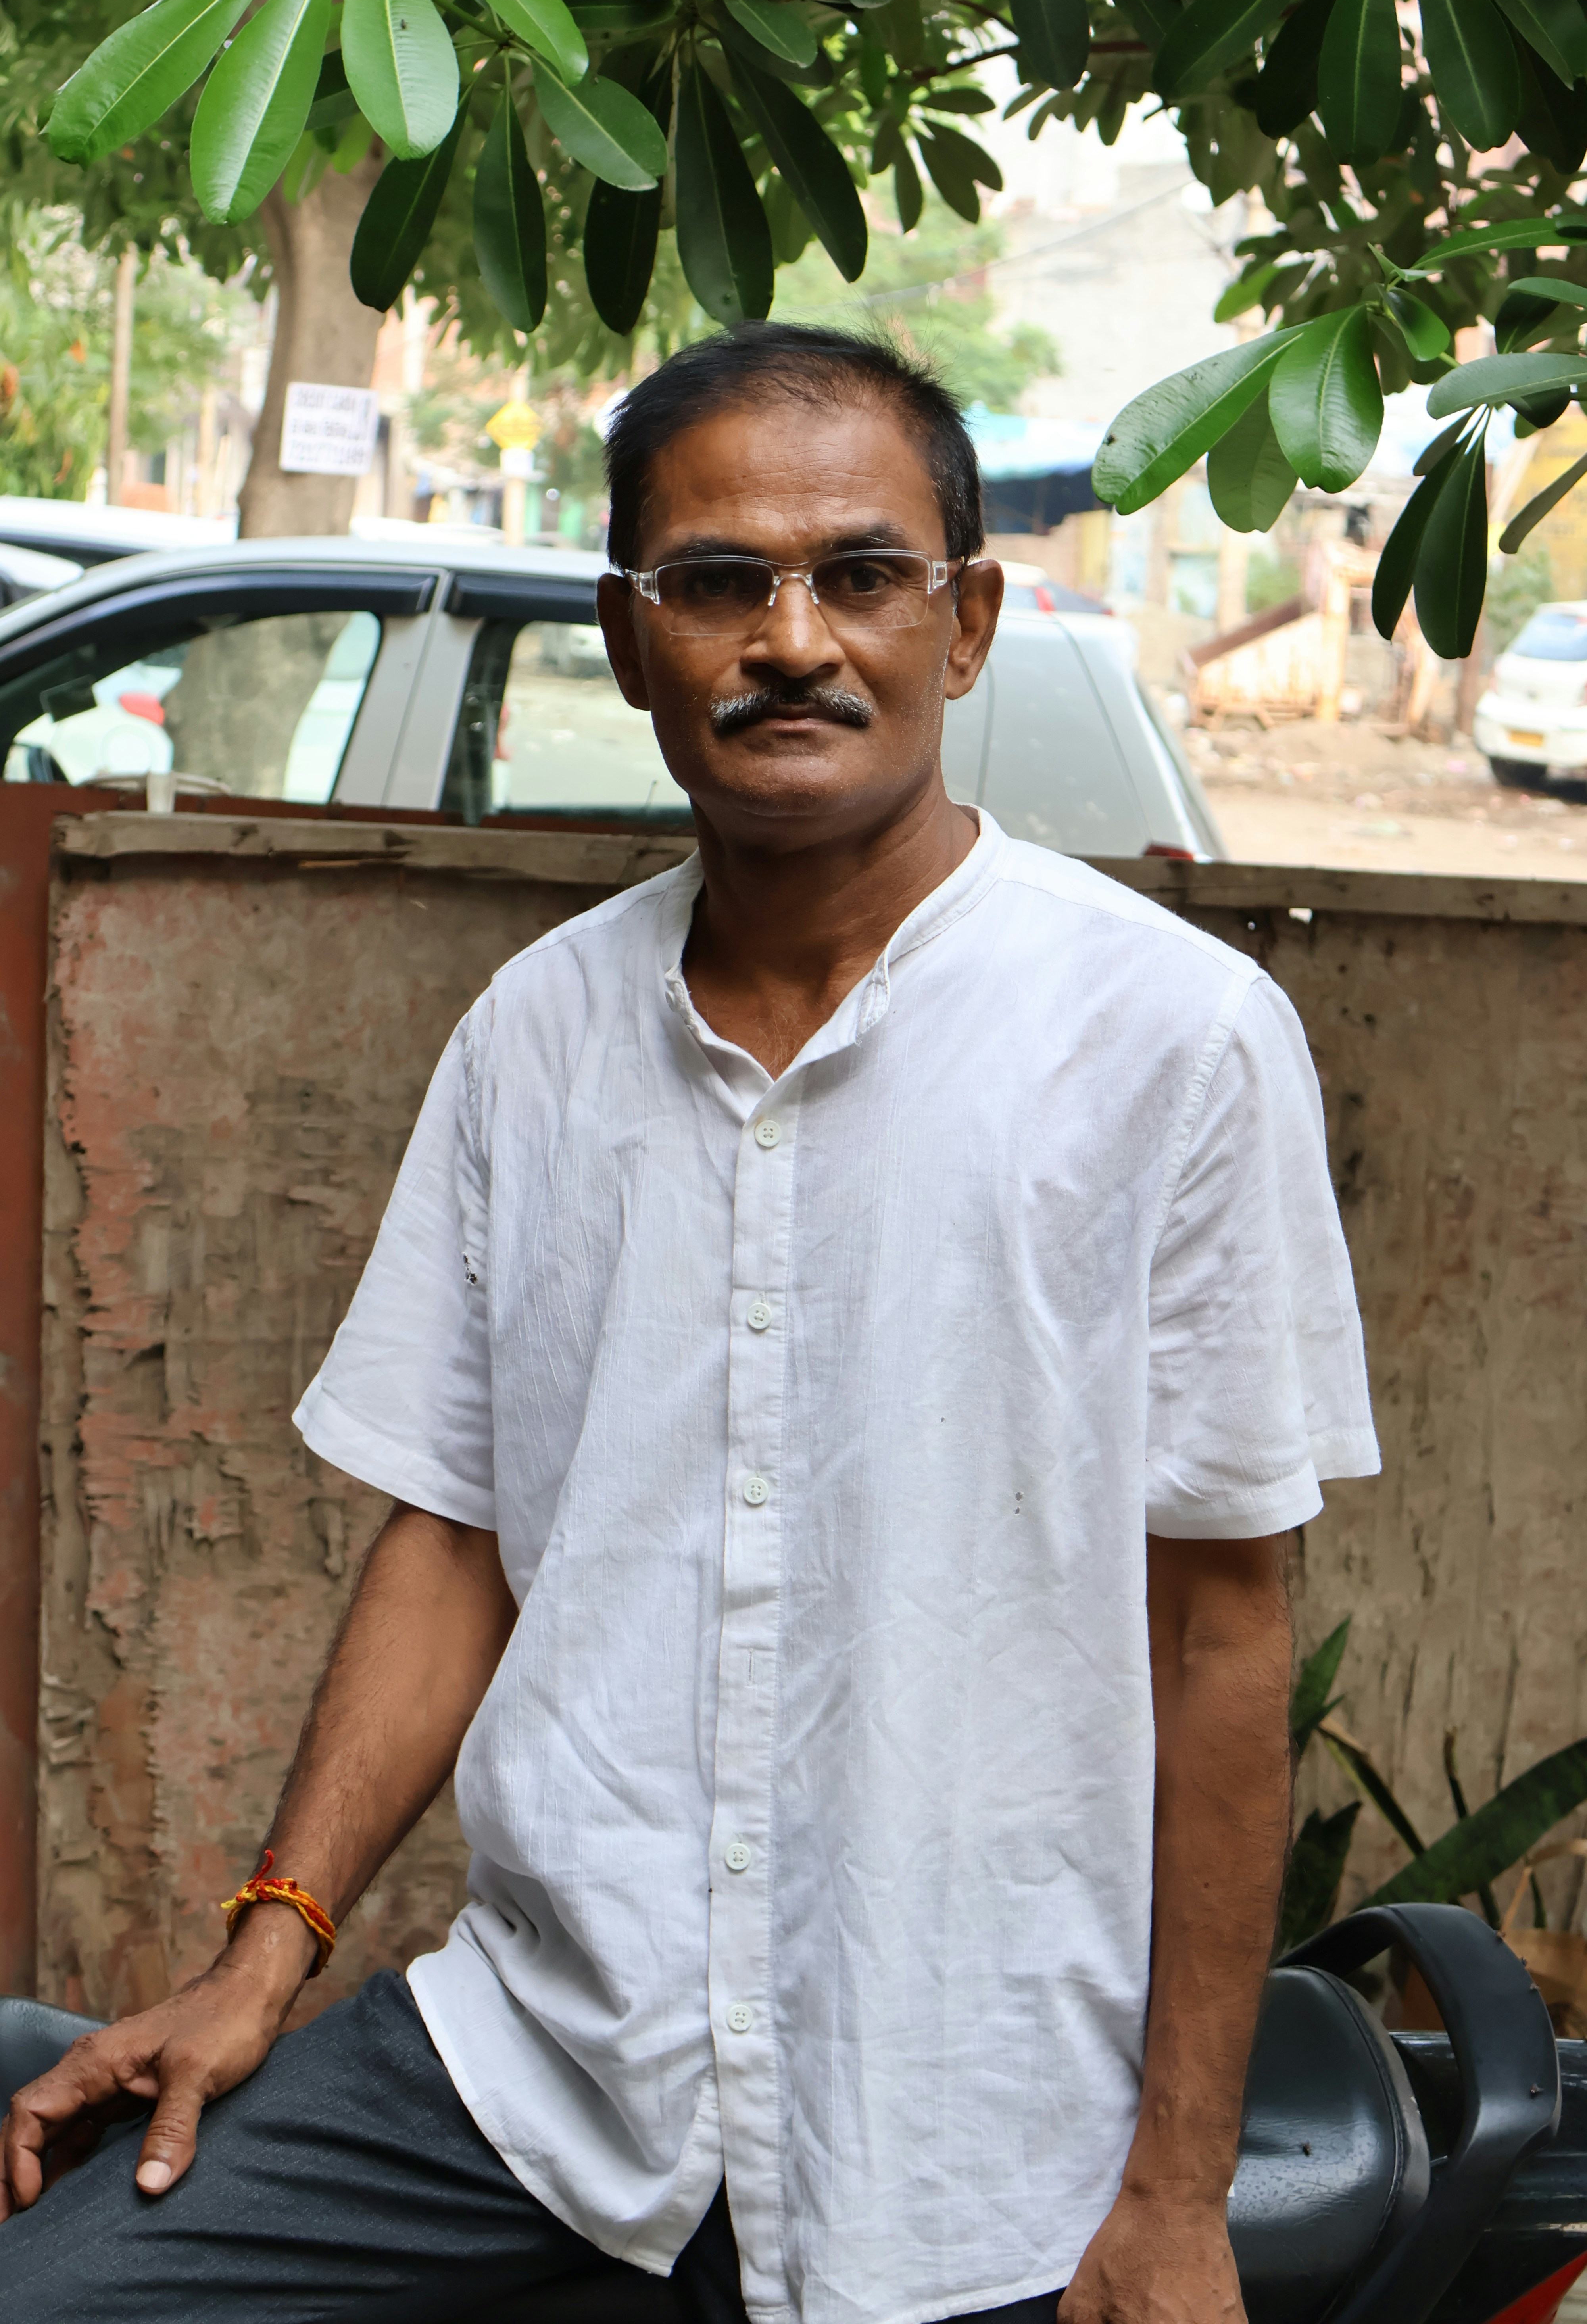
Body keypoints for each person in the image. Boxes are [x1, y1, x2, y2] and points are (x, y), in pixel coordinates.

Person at [0, 323, 1378, 2324]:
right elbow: (455, 1535)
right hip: (537, 2074)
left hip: (960, 2122)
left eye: (861, 576)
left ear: (967, 622)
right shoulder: (537, 1039)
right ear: (632, 638)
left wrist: (1172, 2193)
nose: (791, 639)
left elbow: (1220, 1629)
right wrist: (263, 1953)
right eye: (719, 582)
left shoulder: (1170, 1044)